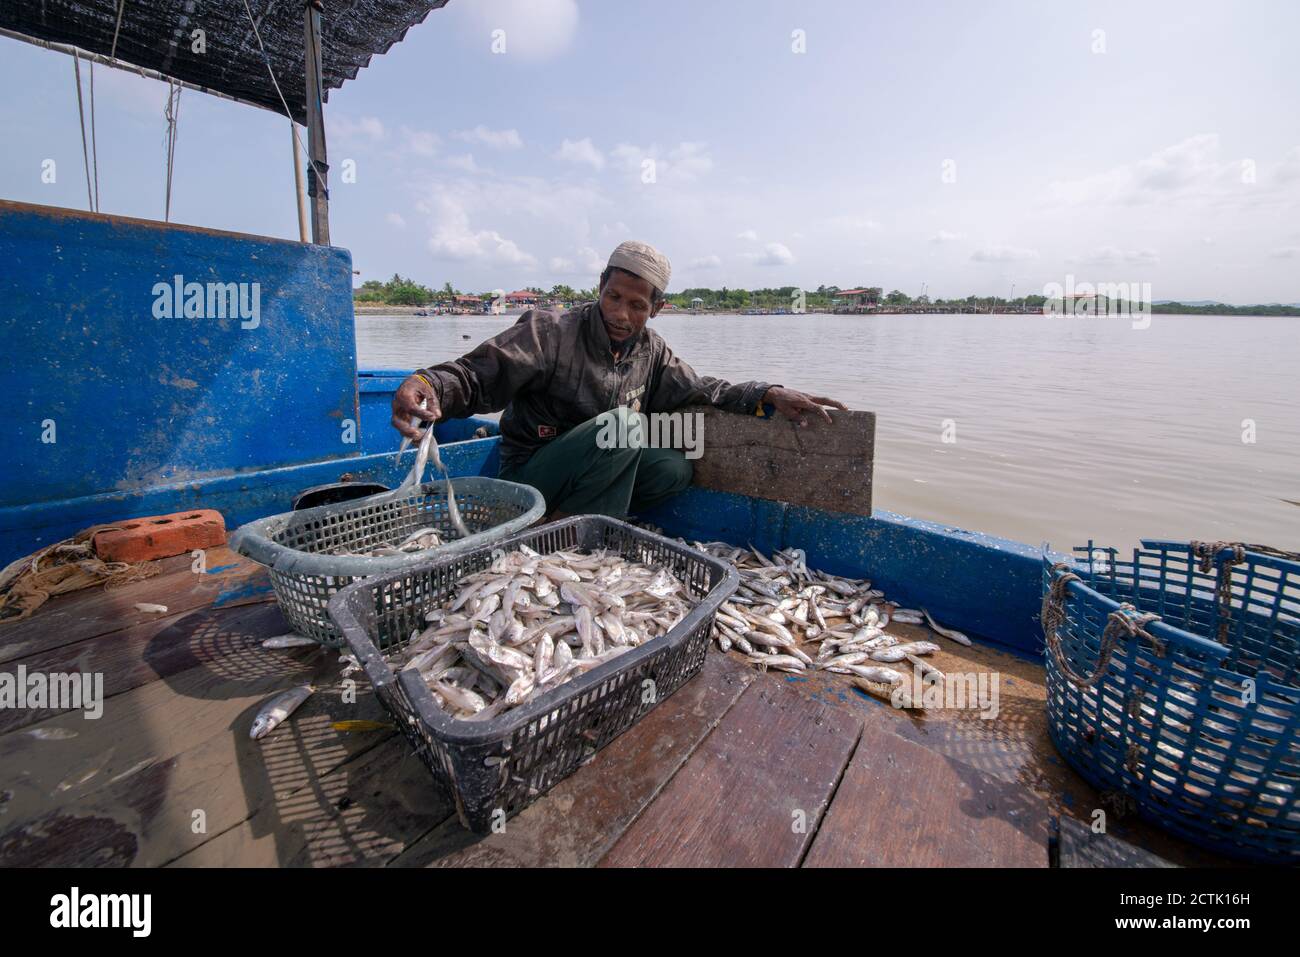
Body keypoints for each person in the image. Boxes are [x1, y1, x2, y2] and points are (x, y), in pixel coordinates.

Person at [391, 240, 845, 518]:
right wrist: (430, 385)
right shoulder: (550, 331)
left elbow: (702, 389)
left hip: (594, 471)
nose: (620, 314)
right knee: (625, 426)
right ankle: (580, 531)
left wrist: (765, 393)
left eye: (637, 306)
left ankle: (579, 517)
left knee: (673, 468)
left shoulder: (653, 350)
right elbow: (477, 375)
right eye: (613, 297)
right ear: (600, 288)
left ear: (657, 309)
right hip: (532, 472)